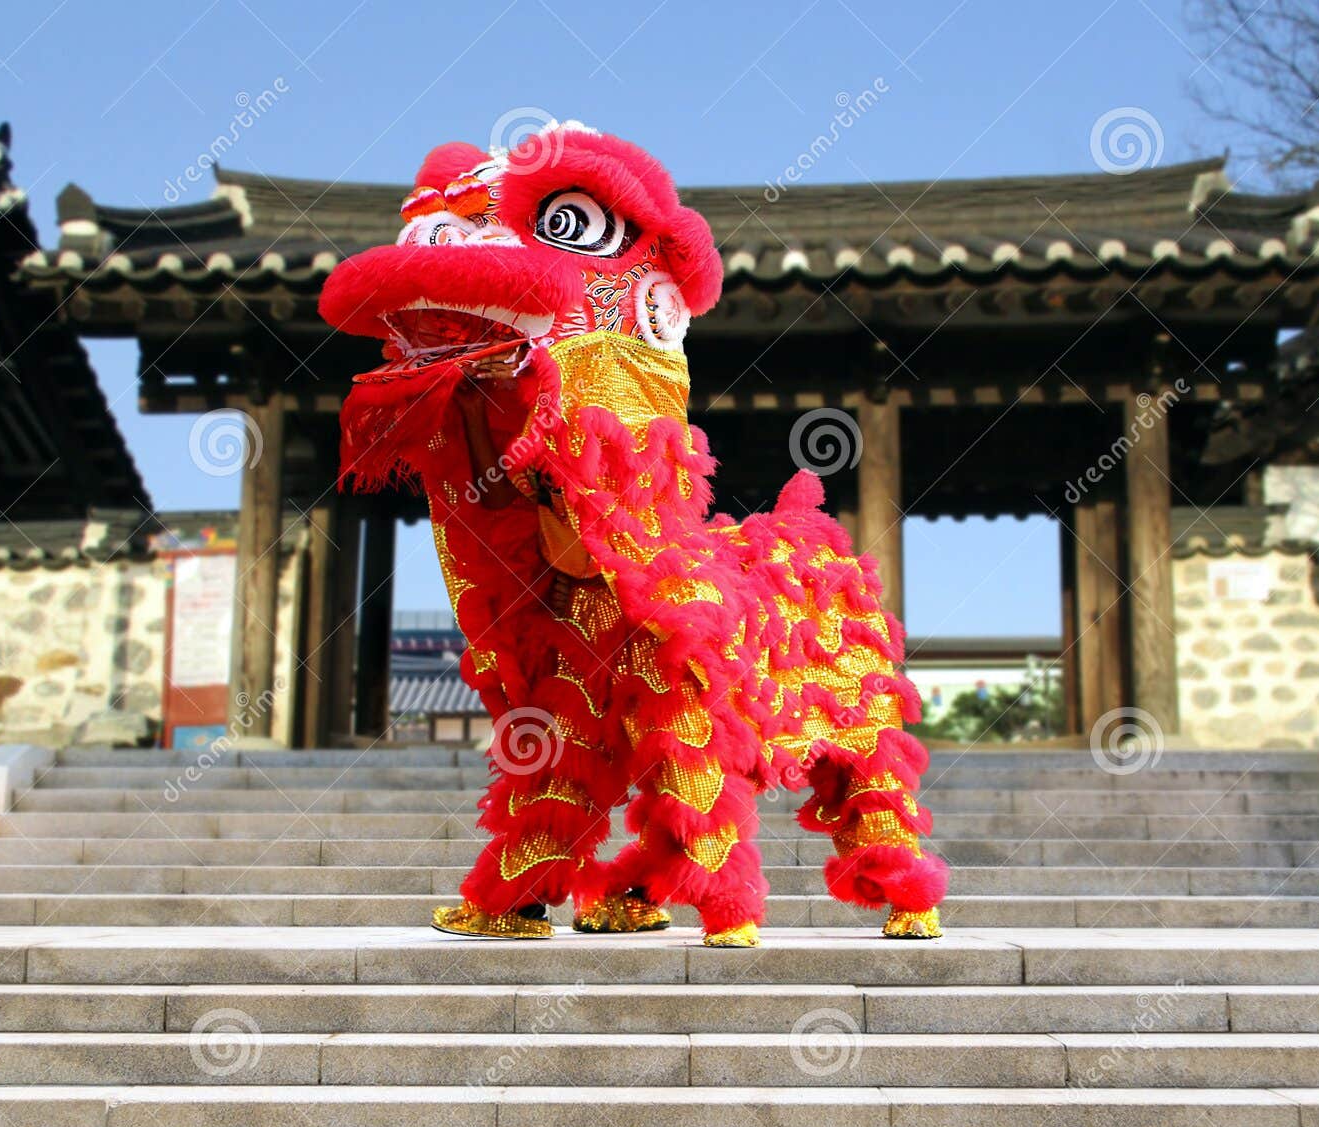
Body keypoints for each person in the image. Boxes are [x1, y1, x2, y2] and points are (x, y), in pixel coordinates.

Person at [318, 122, 949, 945]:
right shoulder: (523, 394)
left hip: (691, 571)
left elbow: (611, 447)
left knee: (706, 707)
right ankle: (533, 887)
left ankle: (835, 886)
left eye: (566, 223)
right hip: (576, 585)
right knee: (563, 728)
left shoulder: (628, 347)